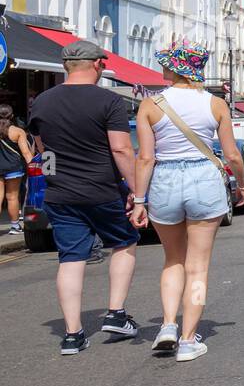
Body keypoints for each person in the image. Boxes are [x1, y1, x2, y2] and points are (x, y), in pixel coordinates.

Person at [131, 40, 244, 361]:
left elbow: (144, 158)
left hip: (164, 182)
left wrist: (139, 201)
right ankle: (187, 340)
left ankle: (168, 325)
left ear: (175, 68)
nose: (162, 67)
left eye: (166, 63)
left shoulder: (150, 104)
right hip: (204, 181)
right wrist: (242, 185)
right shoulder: (216, 104)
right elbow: (232, 154)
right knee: (197, 268)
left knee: (172, 261)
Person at [28, 41, 141, 355]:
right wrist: (136, 190)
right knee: (124, 242)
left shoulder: (42, 102)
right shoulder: (109, 101)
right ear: (97, 65)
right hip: (102, 190)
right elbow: (120, 149)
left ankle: (72, 335)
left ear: (66, 66)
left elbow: (42, 149)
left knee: (70, 259)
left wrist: (52, 178)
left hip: (60, 193)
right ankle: (116, 314)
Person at [0, 104, 36, 235]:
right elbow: (26, 153)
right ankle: (15, 226)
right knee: (12, 197)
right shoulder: (17, 131)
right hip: (13, 168)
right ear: (12, 116)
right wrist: (33, 167)